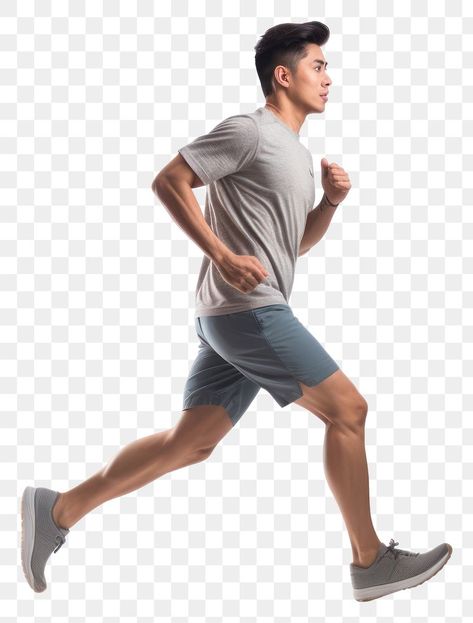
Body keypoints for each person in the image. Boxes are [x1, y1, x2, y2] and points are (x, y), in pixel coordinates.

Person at [20, 20, 452, 601]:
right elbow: (169, 180)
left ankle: (58, 510)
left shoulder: (296, 155)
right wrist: (220, 254)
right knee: (348, 410)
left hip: (230, 315)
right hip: (245, 310)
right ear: (284, 75)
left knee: (189, 443)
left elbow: (291, 245)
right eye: (318, 66)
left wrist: (331, 202)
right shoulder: (249, 131)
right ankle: (369, 560)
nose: (329, 77)